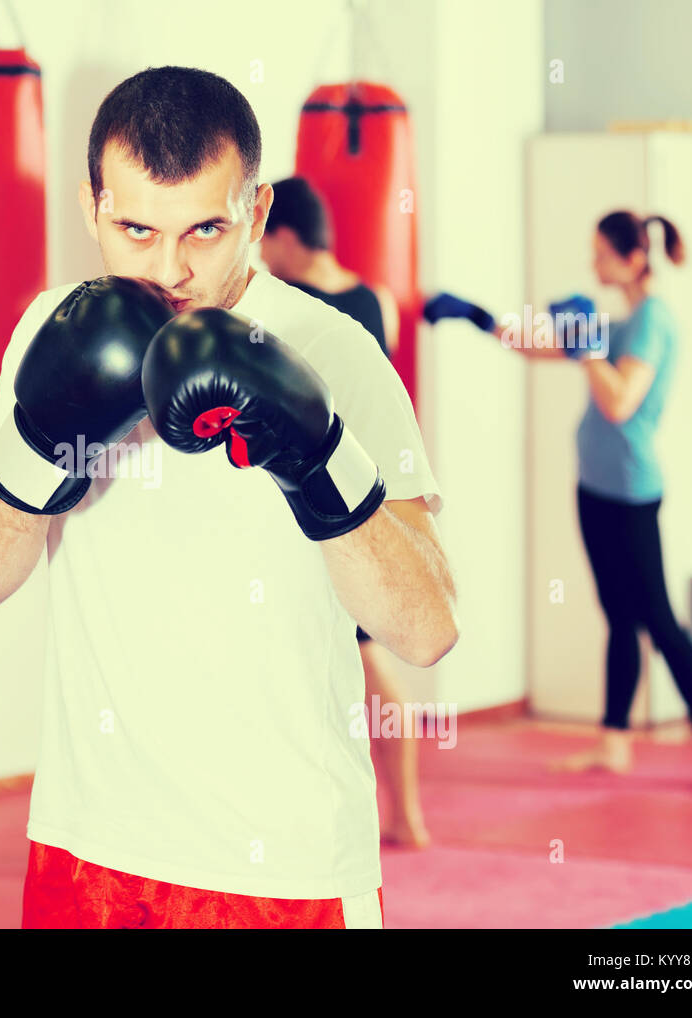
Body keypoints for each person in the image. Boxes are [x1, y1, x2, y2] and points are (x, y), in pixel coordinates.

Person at [0, 67, 458, 929]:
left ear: (255, 213)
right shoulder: (50, 331)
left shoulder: (336, 350)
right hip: (86, 849)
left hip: (282, 871)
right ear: (91, 208)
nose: (170, 269)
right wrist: (39, 438)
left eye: (205, 230)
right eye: (135, 229)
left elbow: (428, 629)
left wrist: (317, 458)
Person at [423, 211, 692, 798]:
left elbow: (620, 401)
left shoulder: (652, 323)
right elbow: (539, 350)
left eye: (600, 253)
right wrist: (475, 316)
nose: (593, 264)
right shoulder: (622, 323)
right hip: (594, 487)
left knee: (661, 624)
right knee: (619, 618)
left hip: (630, 493)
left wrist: (590, 344)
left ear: (631, 259)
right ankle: (614, 742)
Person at [260, 176, 430, 848]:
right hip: (366, 496)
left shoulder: (288, 308)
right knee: (363, 661)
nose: (262, 258)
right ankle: (407, 815)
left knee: (340, 661)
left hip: (310, 504)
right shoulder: (376, 298)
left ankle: (333, 821)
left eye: (267, 242)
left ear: (288, 237)